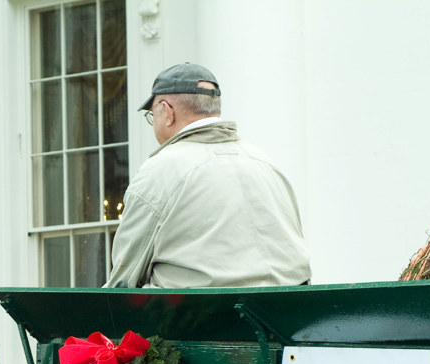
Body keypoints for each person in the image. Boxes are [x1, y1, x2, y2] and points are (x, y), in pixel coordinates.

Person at [104, 62, 312, 289]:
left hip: (194, 317)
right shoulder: (265, 163)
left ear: (166, 111)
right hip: (284, 316)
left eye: (152, 114)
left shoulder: (160, 169)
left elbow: (123, 281)